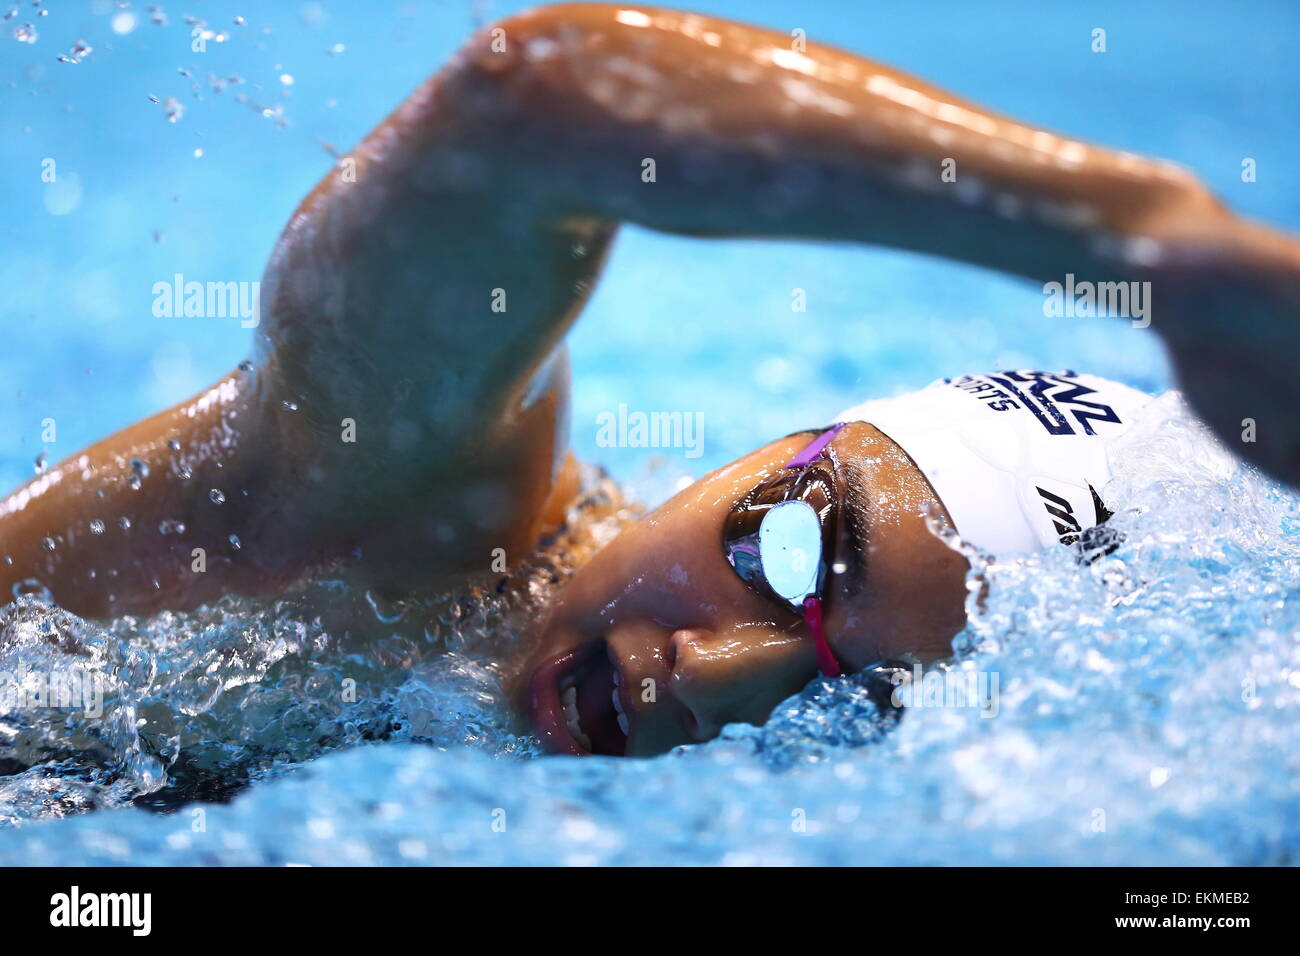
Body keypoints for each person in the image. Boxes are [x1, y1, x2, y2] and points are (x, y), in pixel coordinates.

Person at [2, 4, 1297, 757]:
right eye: (786, 557)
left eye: (859, 698)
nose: (715, 676)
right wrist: (1144, 235)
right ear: (771, 448)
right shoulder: (403, 498)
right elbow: (524, 109)